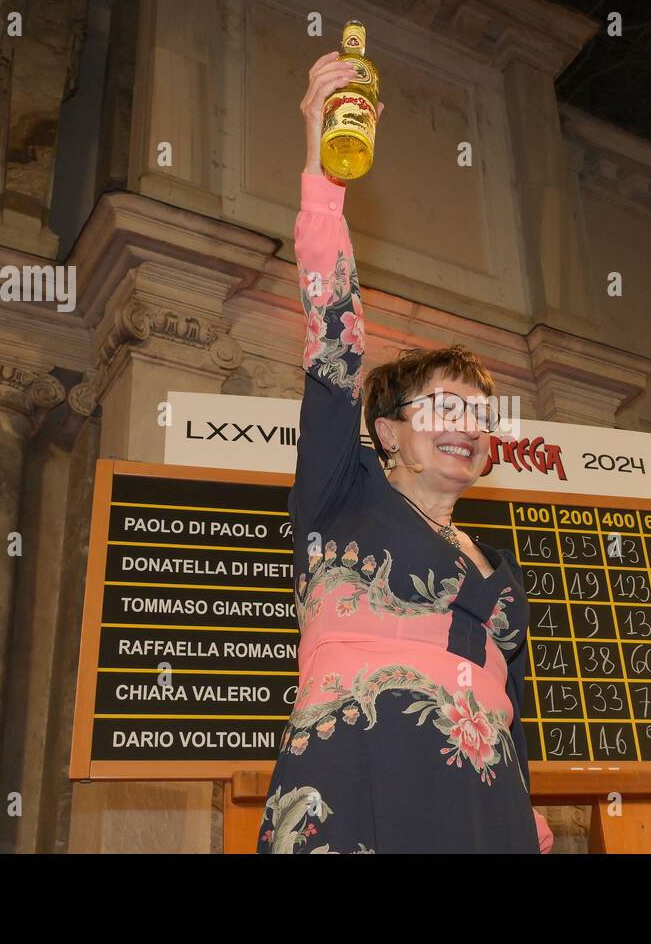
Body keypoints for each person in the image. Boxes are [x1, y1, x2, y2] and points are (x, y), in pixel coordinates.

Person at [256, 50, 554, 853]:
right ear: (385, 430)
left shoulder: (501, 574)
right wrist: (325, 179)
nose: (467, 423)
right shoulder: (340, 498)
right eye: (445, 405)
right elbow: (333, 335)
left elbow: (512, 717)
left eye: (479, 412)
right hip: (358, 789)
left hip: (486, 816)